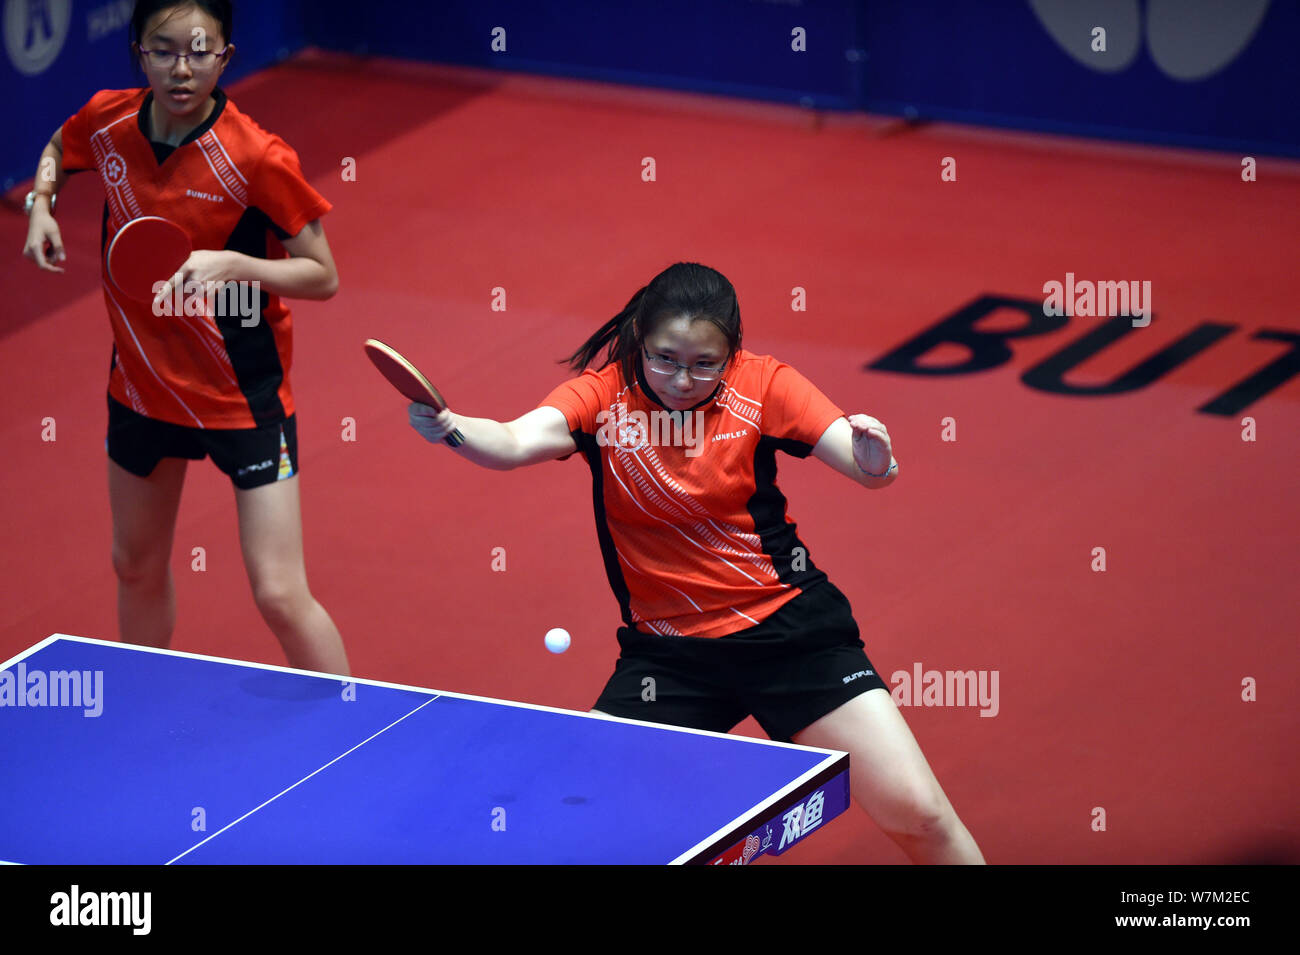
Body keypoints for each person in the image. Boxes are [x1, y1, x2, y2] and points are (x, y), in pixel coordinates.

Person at [406, 261, 984, 863]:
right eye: (665, 359)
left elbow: (866, 469)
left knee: (922, 817)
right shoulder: (603, 397)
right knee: (583, 824)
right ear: (639, 338)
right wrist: (452, 427)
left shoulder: (764, 385)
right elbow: (512, 442)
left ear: (731, 353)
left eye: (705, 364)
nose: (682, 380)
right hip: (671, 658)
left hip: (789, 634)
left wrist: (877, 459)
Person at [21, 0, 349, 675]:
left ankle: (352, 723)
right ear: (138, 52)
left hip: (243, 396)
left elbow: (323, 276)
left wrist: (233, 264)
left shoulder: (257, 156)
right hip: (141, 388)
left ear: (226, 57)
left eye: (200, 52)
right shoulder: (108, 121)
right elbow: (57, 149)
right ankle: (144, 699)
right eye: (164, 50)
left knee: (280, 594)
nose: (181, 69)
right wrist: (41, 205)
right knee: (135, 566)